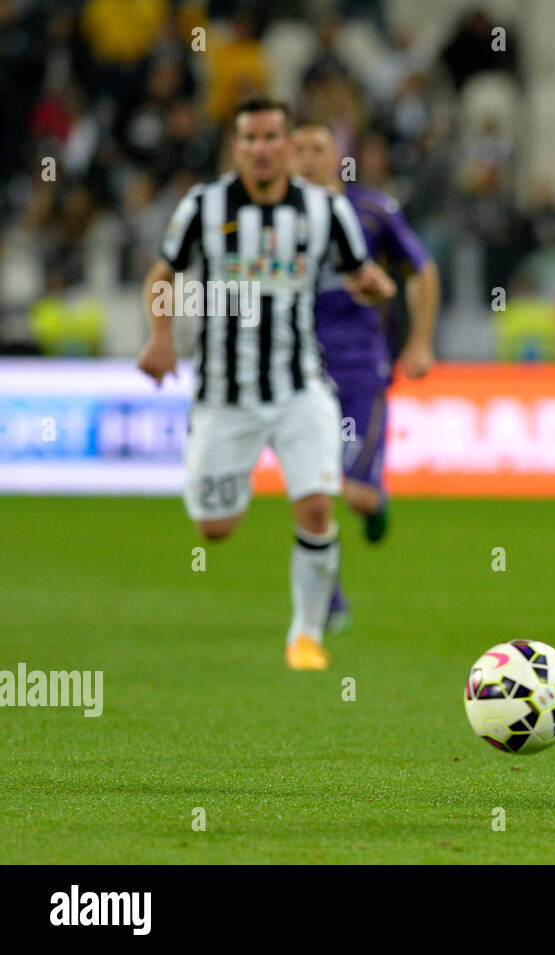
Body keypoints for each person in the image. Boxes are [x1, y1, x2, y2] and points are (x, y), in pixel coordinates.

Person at [137, 95, 395, 671]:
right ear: (236, 146)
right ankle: (226, 474)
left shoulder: (324, 210)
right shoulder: (203, 205)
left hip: (301, 383)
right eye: (248, 138)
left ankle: (306, 636)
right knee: (216, 527)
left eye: (271, 138)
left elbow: (358, 271)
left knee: (316, 509)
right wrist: (160, 337)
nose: (260, 149)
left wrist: (375, 283)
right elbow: (164, 272)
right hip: (225, 392)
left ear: (287, 145)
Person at [292, 120, 439, 633]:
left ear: (339, 156)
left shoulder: (372, 211)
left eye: (317, 147)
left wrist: (418, 342)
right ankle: (327, 598)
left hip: (361, 368)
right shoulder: (278, 223)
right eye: (299, 149)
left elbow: (422, 270)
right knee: (312, 487)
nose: (307, 157)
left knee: (354, 493)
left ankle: (377, 506)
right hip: (301, 370)